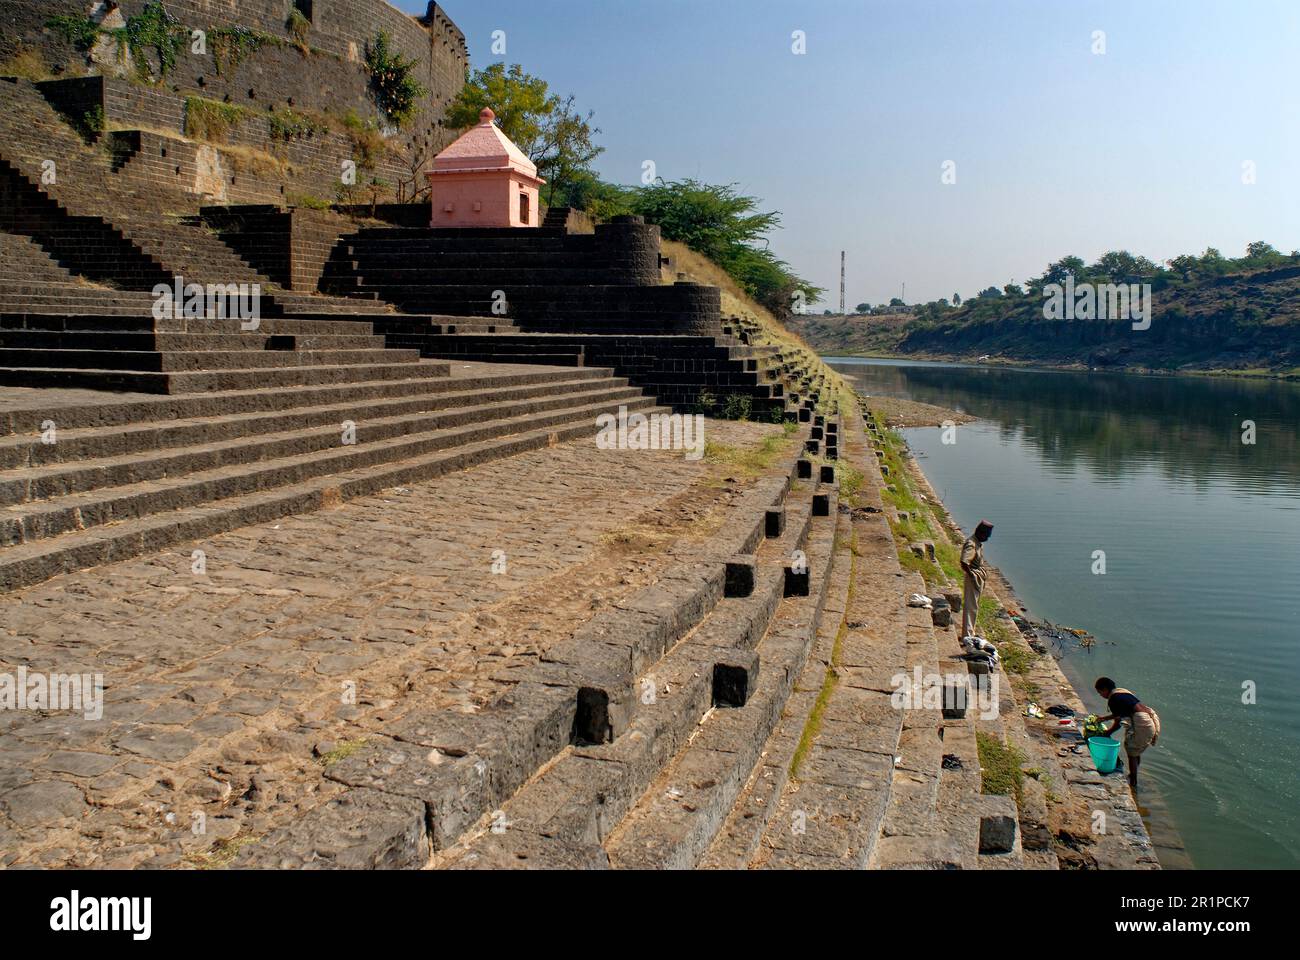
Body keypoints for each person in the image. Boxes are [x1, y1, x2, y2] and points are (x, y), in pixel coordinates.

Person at [1094, 677, 1161, 790]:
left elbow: (1118, 721)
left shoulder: (1113, 699)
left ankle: (1133, 783)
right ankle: (1133, 774)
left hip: (1143, 723)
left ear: (1105, 689)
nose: (1101, 695)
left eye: (1100, 692)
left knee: (1132, 751)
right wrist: (1103, 719)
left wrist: (1107, 732)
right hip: (1150, 719)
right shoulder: (1120, 692)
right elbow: (1119, 714)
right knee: (1136, 750)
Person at [959, 520, 993, 639]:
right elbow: (964, 562)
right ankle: (967, 635)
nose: (987, 539)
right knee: (970, 606)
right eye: (987, 536)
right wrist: (972, 575)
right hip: (973, 578)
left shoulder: (977, 542)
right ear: (980, 533)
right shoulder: (972, 544)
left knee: (974, 606)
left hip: (977, 577)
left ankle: (970, 632)